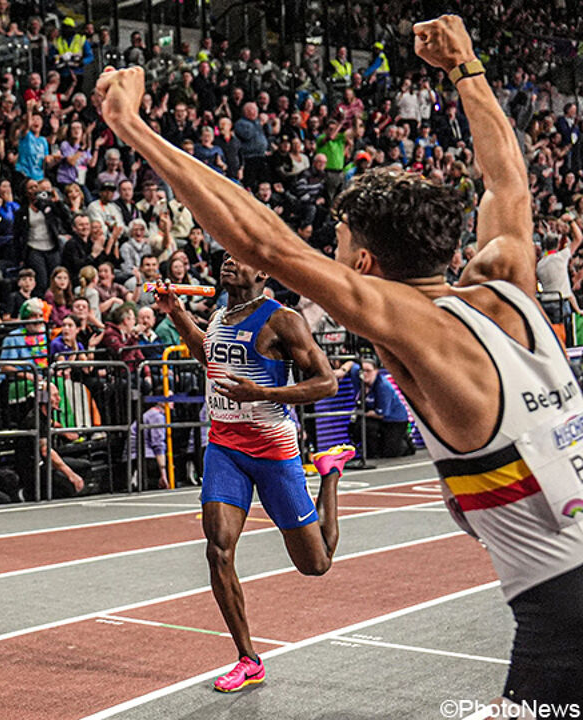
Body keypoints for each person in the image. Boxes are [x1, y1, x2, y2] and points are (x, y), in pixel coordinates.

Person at [99, 15, 583, 704]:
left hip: (564, 615)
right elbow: (508, 180)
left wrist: (133, 128)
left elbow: (265, 245)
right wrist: (465, 68)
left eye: (340, 238)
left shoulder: (414, 329)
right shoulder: (507, 279)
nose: (331, 250)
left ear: (363, 263)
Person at [150, 252, 352, 691]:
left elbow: (327, 382)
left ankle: (330, 472)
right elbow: (208, 357)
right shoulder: (220, 316)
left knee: (316, 564)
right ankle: (248, 658)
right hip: (225, 447)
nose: (228, 261)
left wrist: (261, 392)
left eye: (238, 258)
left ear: (262, 271)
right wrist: (177, 313)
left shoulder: (283, 321)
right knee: (218, 550)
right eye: (225, 256)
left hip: (273, 450)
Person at [337, 357, 414, 459]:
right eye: (362, 371)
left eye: (368, 371)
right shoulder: (358, 375)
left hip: (394, 419)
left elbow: (381, 414)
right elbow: (351, 363)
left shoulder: (383, 387)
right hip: (372, 415)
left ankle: (405, 441)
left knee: (390, 452)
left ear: (376, 371)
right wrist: (342, 371)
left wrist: (360, 413)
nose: (364, 374)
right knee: (362, 427)